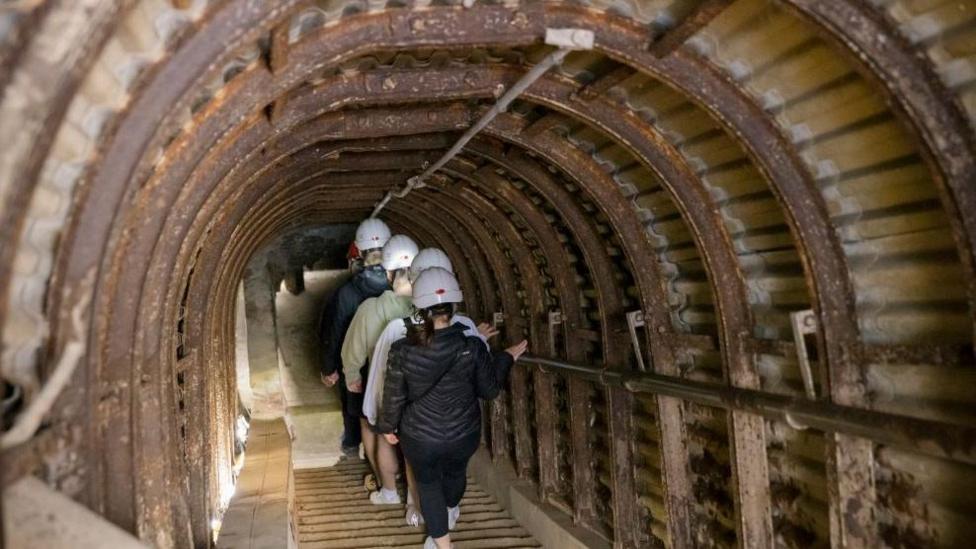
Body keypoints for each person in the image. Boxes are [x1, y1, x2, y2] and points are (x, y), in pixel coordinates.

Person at [377, 268, 527, 549]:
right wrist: (505, 358)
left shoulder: (401, 349)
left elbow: (393, 395)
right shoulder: (471, 345)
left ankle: (443, 543)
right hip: (463, 434)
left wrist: (388, 427)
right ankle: (449, 514)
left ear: (419, 307)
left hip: (420, 436)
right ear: (453, 307)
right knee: (455, 475)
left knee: (428, 485)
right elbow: (490, 390)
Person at [363, 248, 497, 525]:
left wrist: (383, 421)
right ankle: (446, 514)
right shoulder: (467, 329)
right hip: (460, 424)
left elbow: (382, 383)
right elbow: (484, 377)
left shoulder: (396, 330)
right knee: (451, 472)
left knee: (420, 469)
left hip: (416, 425)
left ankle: (421, 512)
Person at [341, 234, 419, 502]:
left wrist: (352, 375)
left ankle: (388, 491)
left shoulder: (369, 308)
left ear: (387, 273)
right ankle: (415, 500)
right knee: (413, 444)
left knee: (381, 433)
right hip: (422, 386)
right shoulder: (428, 308)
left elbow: (353, 351)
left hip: (382, 385)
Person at [319, 218, 392, 455]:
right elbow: (420, 323)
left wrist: (329, 367)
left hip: (356, 364)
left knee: (358, 411)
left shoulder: (346, 293)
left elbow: (334, 332)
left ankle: (352, 443)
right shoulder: (401, 289)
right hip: (396, 364)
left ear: (358, 252)